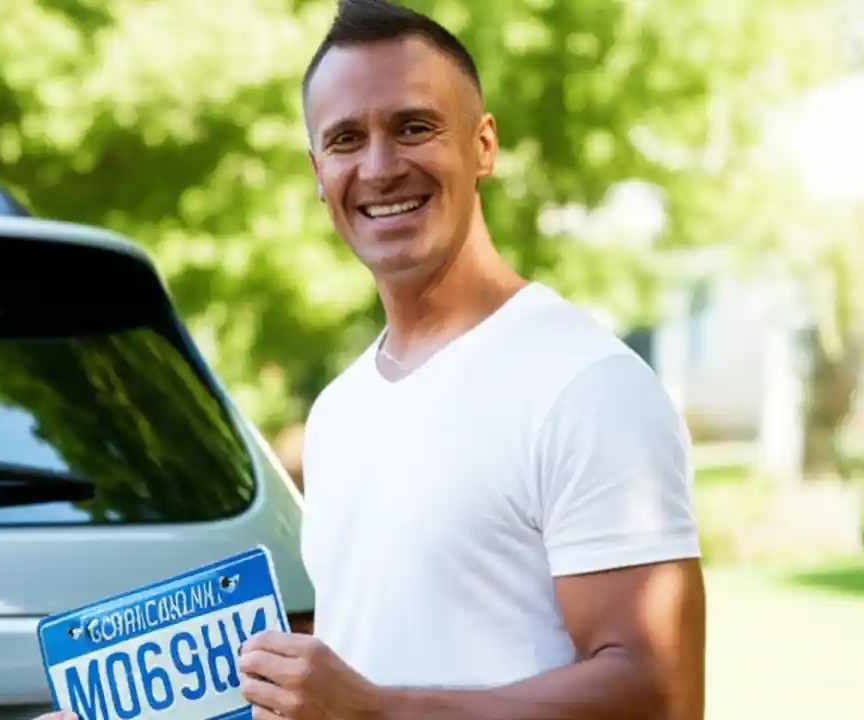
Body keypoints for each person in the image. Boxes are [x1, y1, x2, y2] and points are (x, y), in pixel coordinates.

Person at [37, 0, 705, 718]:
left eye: (414, 127)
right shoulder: (339, 410)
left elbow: (659, 690)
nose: (381, 167)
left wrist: (377, 711)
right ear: (319, 172)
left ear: (483, 145)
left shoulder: (584, 386)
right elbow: (379, 655)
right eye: (346, 139)